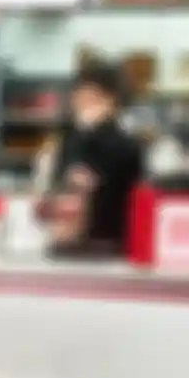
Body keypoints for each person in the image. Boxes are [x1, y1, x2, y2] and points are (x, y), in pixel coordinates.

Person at [48, 63, 144, 252]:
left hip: (110, 242)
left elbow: (116, 185)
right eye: (79, 97)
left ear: (112, 102)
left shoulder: (125, 144)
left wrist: (93, 132)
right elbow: (63, 181)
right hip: (68, 241)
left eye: (92, 99)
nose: (83, 105)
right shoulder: (70, 138)